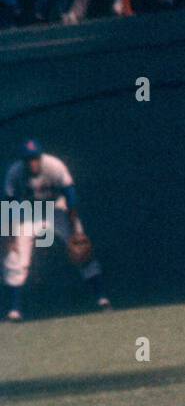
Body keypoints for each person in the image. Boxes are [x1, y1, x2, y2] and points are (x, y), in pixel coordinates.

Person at [4, 138, 109, 321]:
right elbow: (10, 204)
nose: (33, 162)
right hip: (30, 212)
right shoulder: (15, 172)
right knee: (14, 257)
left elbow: (70, 196)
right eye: (29, 159)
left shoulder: (54, 165)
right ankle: (14, 310)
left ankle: (102, 298)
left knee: (83, 251)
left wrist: (76, 228)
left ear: (41, 156)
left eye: (35, 158)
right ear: (23, 160)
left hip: (57, 209)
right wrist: (10, 237)